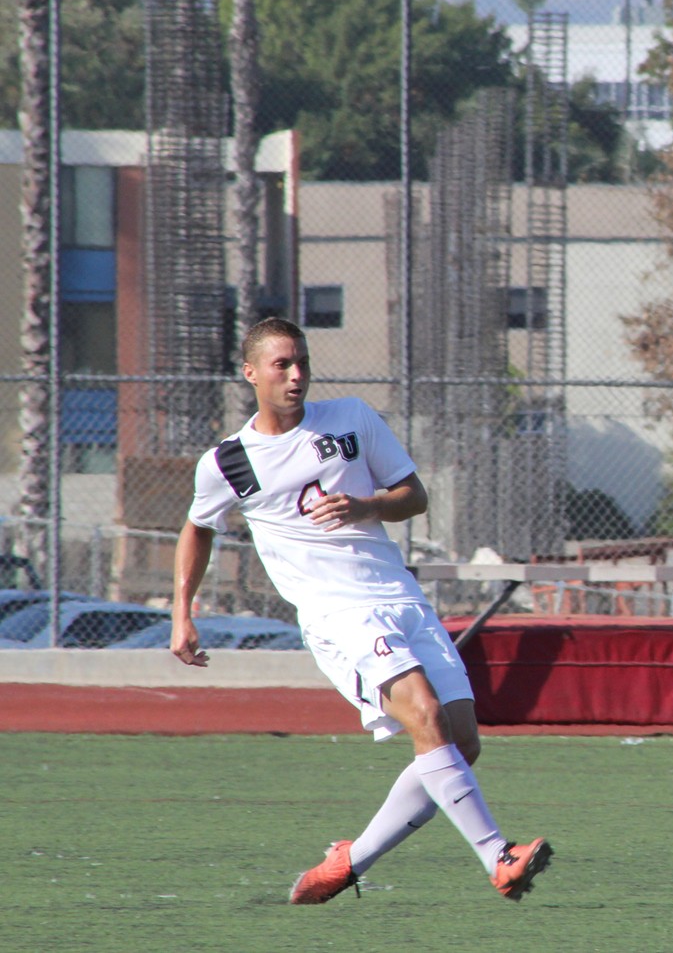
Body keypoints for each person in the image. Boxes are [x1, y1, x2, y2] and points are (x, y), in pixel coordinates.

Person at [170, 317, 551, 905]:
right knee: (425, 714)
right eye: (281, 365)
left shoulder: (351, 417)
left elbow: (413, 495)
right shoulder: (228, 462)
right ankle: (498, 857)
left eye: (301, 362)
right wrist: (181, 613)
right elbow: (197, 528)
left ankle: (349, 862)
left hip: (399, 597)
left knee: (461, 742)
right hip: (337, 615)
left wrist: (365, 504)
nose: (296, 375)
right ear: (251, 374)